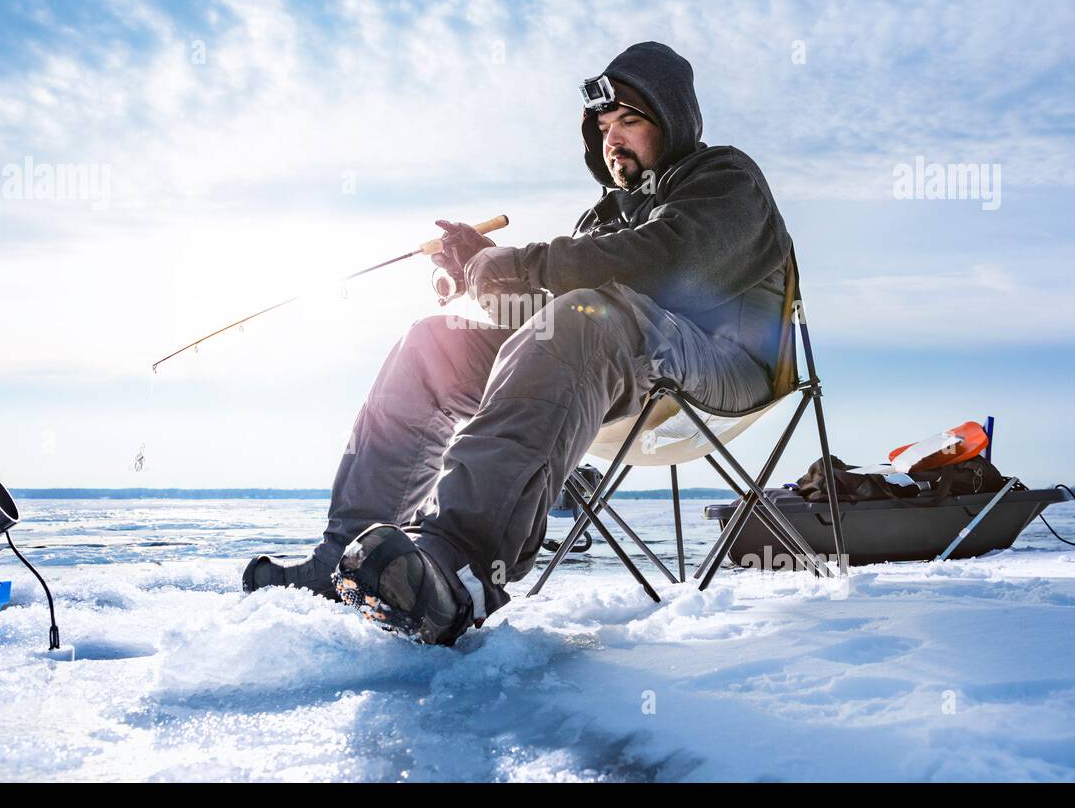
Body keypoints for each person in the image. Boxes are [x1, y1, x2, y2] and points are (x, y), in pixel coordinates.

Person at [243, 41, 795, 646]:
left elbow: (667, 262)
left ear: (675, 122)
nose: (614, 140)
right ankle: (350, 562)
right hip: (614, 370)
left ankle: (459, 568)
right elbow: (542, 320)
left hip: (723, 369)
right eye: (604, 127)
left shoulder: (723, 179)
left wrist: (508, 266)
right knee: (433, 343)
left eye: (631, 121)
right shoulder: (602, 218)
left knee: (587, 314)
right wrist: (476, 274)